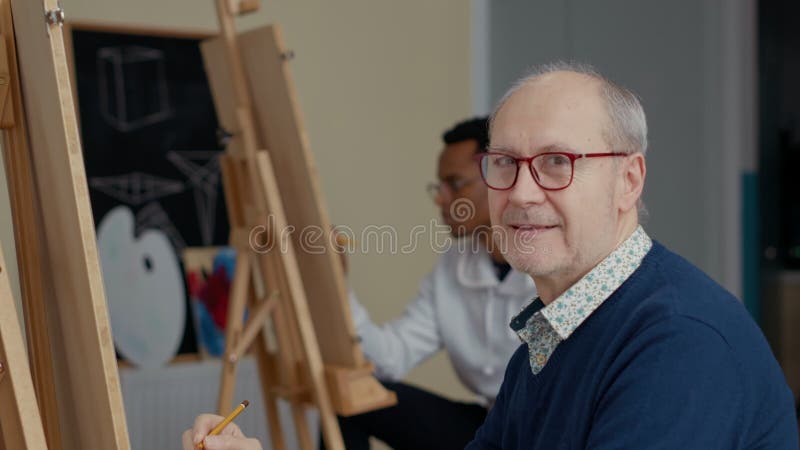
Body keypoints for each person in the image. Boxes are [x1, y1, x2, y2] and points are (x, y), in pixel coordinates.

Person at [464, 62, 799, 449]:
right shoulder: (551, 331)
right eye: (505, 162)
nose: (521, 193)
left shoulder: (679, 341)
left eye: (557, 161)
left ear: (629, 181)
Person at [182, 117, 538, 450]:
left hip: (541, 432)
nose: (441, 199)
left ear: (501, 178)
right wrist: (337, 285)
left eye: (455, 184)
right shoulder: (452, 266)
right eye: (439, 186)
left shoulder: (547, 268)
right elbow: (390, 358)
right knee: (351, 398)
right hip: (488, 423)